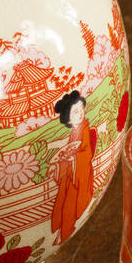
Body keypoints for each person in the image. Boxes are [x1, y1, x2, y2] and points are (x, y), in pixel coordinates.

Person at [50, 90, 97, 245]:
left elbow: (86, 152)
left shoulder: (84, 129)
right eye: (75, 112)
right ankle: (61, 232)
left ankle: (64, 232)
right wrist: (62, 163)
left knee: (69, 207)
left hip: (79, 178)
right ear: (68, 120)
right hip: (71, 178)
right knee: (64, 205)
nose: (81, 113)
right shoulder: (75, 132)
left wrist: (73, 158)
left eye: (81, 109)